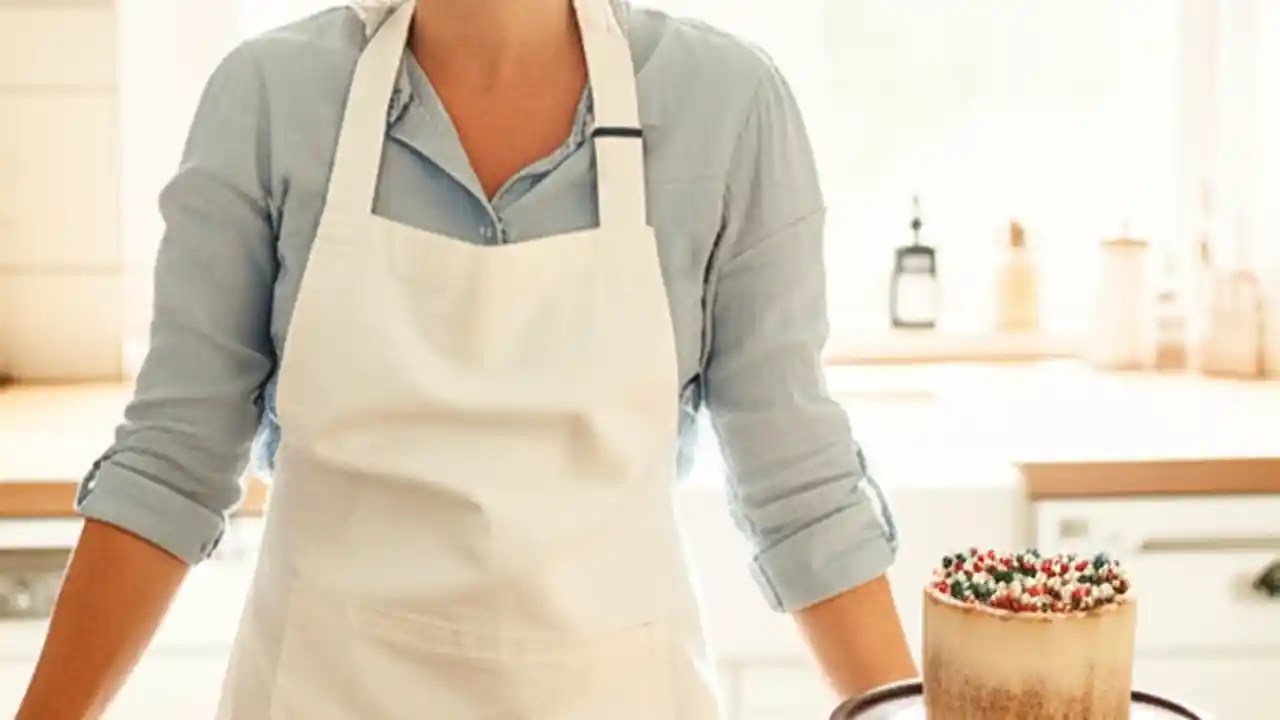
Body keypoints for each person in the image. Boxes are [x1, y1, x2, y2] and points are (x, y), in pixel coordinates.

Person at [18, 0, 916, 717]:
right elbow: (172, 465)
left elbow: (798, 486)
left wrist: (898, 708)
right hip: (320, 697)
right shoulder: (271, 98)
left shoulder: (726, 106)